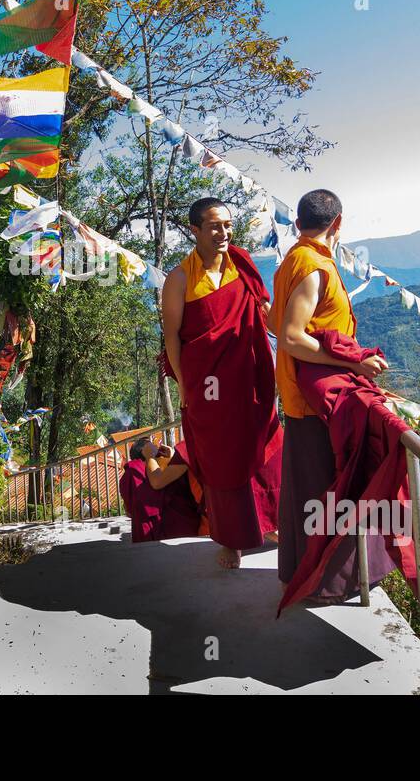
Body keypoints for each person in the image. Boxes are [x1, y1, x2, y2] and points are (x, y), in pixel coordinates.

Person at [268, 189, 399, 603]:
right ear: (338, 223)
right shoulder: (311, 266)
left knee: (309, 493)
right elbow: (290, 336)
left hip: (306, 398)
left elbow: (275, 323)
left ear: (298, 223)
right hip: (316, 405)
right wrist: (355, 363)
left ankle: (303, 575)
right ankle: (320, 582)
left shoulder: (293, 259)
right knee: (325, 494)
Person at [161, 198, 283, 568]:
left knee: (266, 450)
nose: (224, 233)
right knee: (221, 463)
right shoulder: (180, 279)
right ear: (195, 230)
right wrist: (184, 386)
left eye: (228, 225)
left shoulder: (242, 266)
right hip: (207, 388)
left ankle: (272, 521)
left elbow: (265, 316)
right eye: (215, 226)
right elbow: (172, 338)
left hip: (250, 379)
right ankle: (232, 540)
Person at [119, 437, 204, 543]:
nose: (158, 447)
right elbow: (157, 482)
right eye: (152, 445)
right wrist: (151, 456)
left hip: (193, 521)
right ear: (144, 451)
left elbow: (129, 511)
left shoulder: (165, 465)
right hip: (182, 526)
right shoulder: (134, 472)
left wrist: (173, 458)